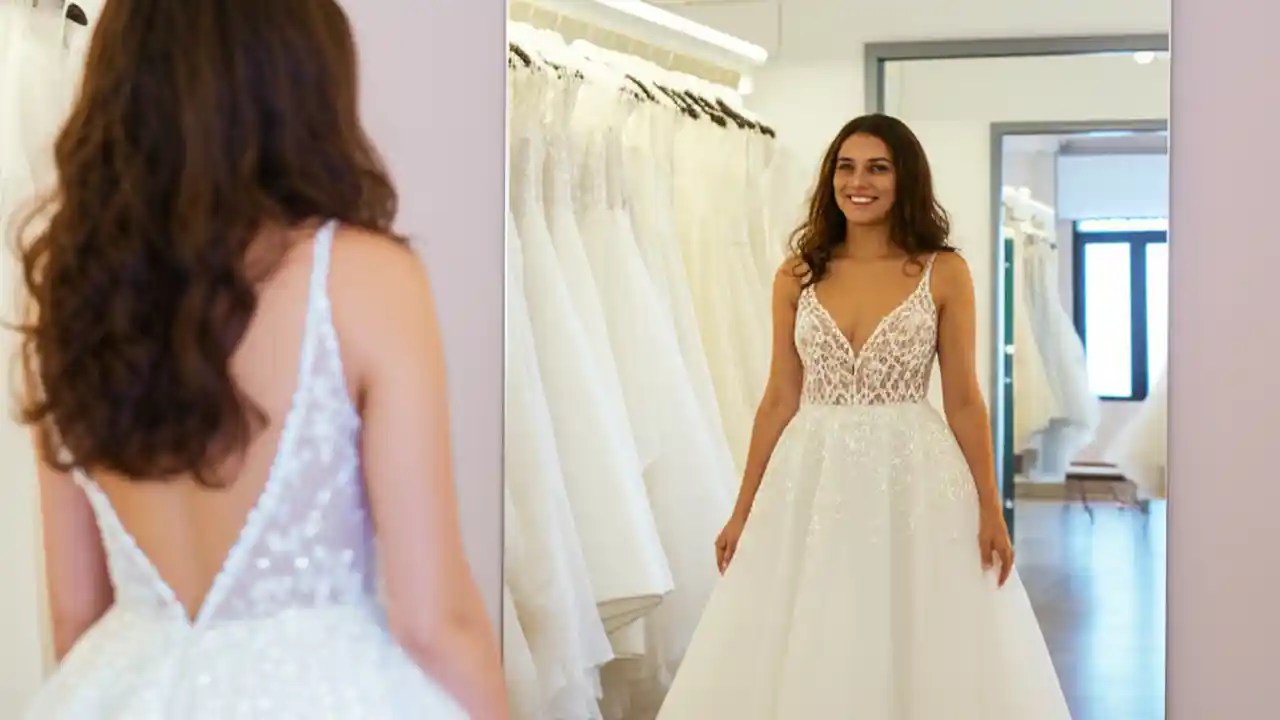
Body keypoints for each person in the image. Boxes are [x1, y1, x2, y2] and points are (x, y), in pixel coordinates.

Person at [11, 2, 507, 718]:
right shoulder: (363, 276)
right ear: (301, 80)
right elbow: (433, 623)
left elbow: (74, 612)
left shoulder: (67, 296)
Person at [654, 114, 1072, 719]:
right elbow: (778, 395)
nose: (859, 182)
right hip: (811, 476)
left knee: (913, 631)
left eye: (878, 167)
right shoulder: (797, 274)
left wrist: (990, 505)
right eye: (846, 167)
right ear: (830, 179)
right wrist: (742, 510)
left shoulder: (942, 271)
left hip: (914, 475)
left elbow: (962, 399)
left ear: (905, 179)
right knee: (812, 624)